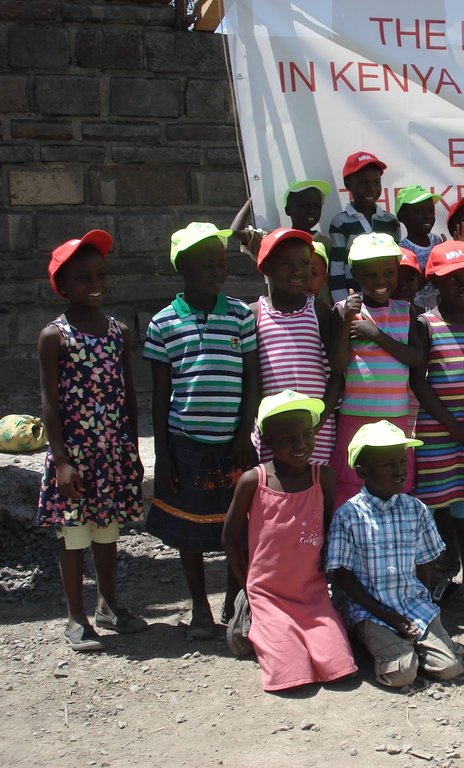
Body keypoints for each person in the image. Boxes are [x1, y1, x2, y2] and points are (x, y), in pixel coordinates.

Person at [144, 222, 258, 639]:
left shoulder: (241, 316)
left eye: (221, 263)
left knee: (236, 527)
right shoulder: (162, 324)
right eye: (206, 265)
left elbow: (252, 379)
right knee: (189, 529)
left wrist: (245, 434)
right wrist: (164, 454)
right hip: (187, 442)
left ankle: (231, 603)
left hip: (234, 445)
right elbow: (159, 396)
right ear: (183, 269)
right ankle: (199, 607)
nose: (217, 271)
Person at [37, 230, 147, 651]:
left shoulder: (117, 331)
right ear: (63, 286)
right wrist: (61, 460)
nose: (96, 283)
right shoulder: (55, 336)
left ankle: (109, 605)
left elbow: (129, 395)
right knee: (74, 537)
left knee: (107, 533)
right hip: (77, 457)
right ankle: (75, 616)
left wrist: (132, 452)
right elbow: (50, 403)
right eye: (83, 278)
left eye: (101, 274)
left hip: (112, 452)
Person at [223, 391, 357, 692]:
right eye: (288, 438)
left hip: (312, 593)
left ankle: (303, 634)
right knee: (291, 674)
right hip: (268, 594)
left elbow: (325, 527)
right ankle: (252, 621)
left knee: (340, 668)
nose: (301, 444)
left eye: (307, 434)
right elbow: (230, 538)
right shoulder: (253, 481)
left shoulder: (322, 478)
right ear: (267, 441)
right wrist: (248, 586)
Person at [326, 420, 464, 688]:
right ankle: (372, 641)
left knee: (449, 668)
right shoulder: (349, 515)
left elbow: (423, 564)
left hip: (412, 605)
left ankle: (409, 647)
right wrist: (390, 618)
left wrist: (423, 605)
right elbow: (342, 577)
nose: (400, 470)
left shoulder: (416, 509)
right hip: (371, 609)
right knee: (401, 675)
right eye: (388, 465)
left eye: (402, 461)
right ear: (362, 471)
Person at [410, 241, 464, 597]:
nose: (463, 284)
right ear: (435, 282)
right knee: (435, 507)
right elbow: (419, 381)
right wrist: (451, 425)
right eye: (453, 278)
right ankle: (436, 576)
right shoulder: (425, 324)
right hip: (436, 436)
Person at [329, 233, 421, 505]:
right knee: (351, 486)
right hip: (355, 417)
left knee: (395, 483)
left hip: (395, 419)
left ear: (397, 268)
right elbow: (337, 365)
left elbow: (416, 358)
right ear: (354, 273)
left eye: (387, 273)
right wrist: (347, 319)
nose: (380, 281)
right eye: (370, 275)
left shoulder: (406, 310)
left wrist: (376, 334)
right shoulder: (344, 309)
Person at [250, 228, 340, 467]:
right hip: (274, 431)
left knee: (316, 489)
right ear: (266, 268)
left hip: (315, 430)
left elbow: (337, 373)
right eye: (286, 264)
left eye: (304, 263)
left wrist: (320, 420)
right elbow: (252, 377)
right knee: (276, 487)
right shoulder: (255, 314)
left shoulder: (319, 311)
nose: (298, 271)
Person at [327, 151, 400, 302]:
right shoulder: (340, 223)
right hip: (355, 300)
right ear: (348, 184)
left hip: (387, 298)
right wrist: (341, 303)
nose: (371, 189)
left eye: (376, 182)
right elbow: (337, 266)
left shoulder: (391, 221)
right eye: (363, 183)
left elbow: (397, 264)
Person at [232, 179, 333, 262]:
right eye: (304, 206)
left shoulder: (326, 243)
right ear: (288, 210)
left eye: (317, 206)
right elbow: (235, 232)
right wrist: (253, 199)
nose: (312, 211)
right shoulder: (273, 239)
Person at [396, 184, 447, 309]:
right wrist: (435, 262)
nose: (428, 216)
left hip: (439, 309)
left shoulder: (437, 240)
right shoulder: (402, 250)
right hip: (416, 311)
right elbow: (412, 284)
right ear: (402, 217)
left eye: (431, 210)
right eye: (419, 211)